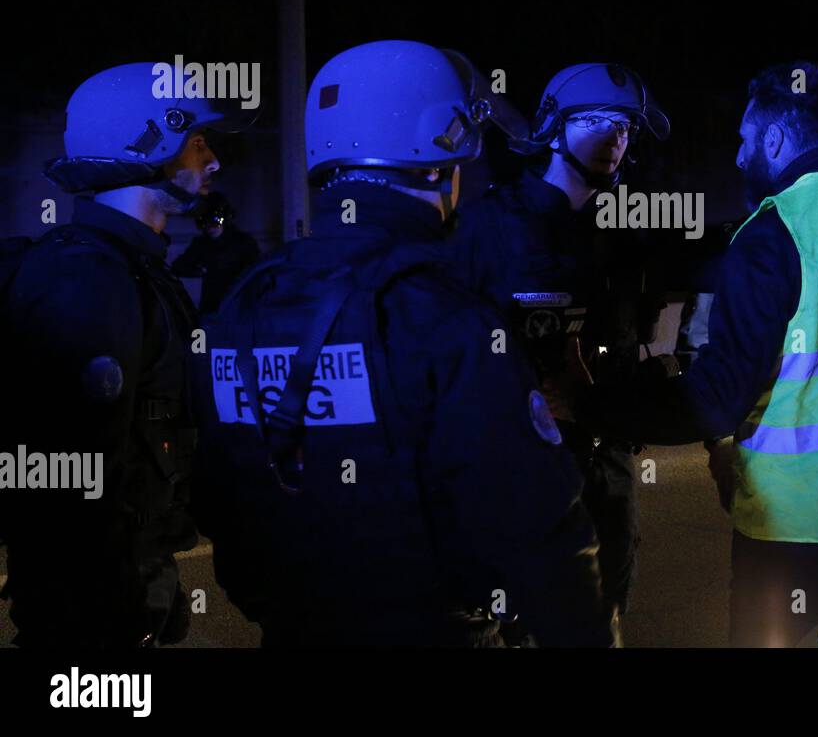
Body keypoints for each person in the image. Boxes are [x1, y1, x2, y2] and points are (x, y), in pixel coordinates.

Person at [192, 40, 615, 647]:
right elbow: (542, 529)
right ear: (443, 148)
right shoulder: (447, 315)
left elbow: (216, 497)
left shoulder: (242, 304)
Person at [571, 61, 818, 647]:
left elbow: (714, 400)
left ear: (776, 138)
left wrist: (593, 404)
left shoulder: (773, 232)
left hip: (799, 542)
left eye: (743, 140)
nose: (738, 158)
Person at [0, 61, 237, 647]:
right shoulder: (88, 276)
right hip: (91, 609)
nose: (212, 161)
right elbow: (69, 478)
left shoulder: (131, 265)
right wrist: (111, 618)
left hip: (125, 586)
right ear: (147, 142)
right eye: (198, 142)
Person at [449, 62, 671, 627]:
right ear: (552, 124)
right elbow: (447, 358)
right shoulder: (488, 229)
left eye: (624, 125)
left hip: (607, 475)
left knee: (602, 620)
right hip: (519, 477)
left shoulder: (624, 234)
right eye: (595, 120)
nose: (614, 138)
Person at [172, 191, 261, 315]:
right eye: (204, 222)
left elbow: (257, 271)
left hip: (238, 305)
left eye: (215, 220)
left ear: (226, 219)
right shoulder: (201, 244)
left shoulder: (243, 243)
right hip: (212, 308)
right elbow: (178, 267)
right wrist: (202, 270)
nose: (209, 227)